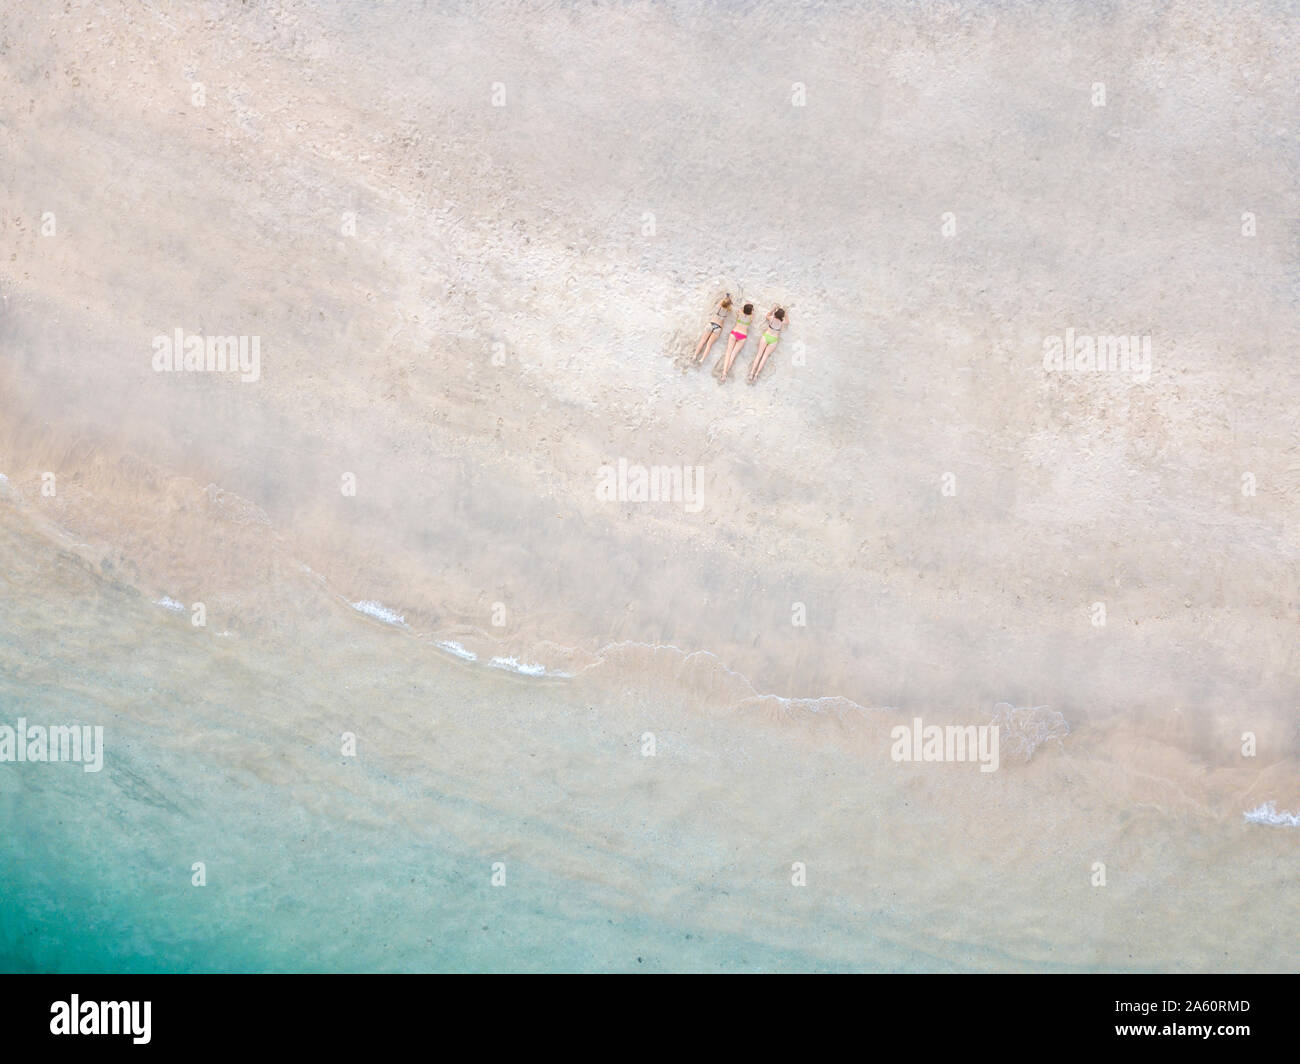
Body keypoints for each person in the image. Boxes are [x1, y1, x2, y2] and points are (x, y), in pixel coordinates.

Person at [748, 305, 786, 383]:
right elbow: (788, 322)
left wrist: (773, 309)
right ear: (782, 316)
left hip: (766, 336)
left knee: (758, 355)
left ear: (776, 314)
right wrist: (786, 313)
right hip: (774, 339)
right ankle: (756, 375)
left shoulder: (772, 318)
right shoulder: (782, 322)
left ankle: (751, 373)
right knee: (764, 357)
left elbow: (767, 315)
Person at [718, 302, 754, 382]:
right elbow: (751, 314)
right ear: (751, 311)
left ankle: (723, 373)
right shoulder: (751, 317)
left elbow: (740, 309)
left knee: (728, 353)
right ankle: (725, 374)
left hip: (734, 333)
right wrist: (750, 311)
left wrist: (744, 308)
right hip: (743, 336)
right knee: (733, 355)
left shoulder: (740, 313)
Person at [693, 295, 732, 364]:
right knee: (709, 345)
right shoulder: (728, 311)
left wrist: (726, 297)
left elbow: (722, 302)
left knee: (702, 341)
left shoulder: (718, 307)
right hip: (718, 327)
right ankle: (702, 359)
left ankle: (695, 356)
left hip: (711, 324)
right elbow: (730, 307)